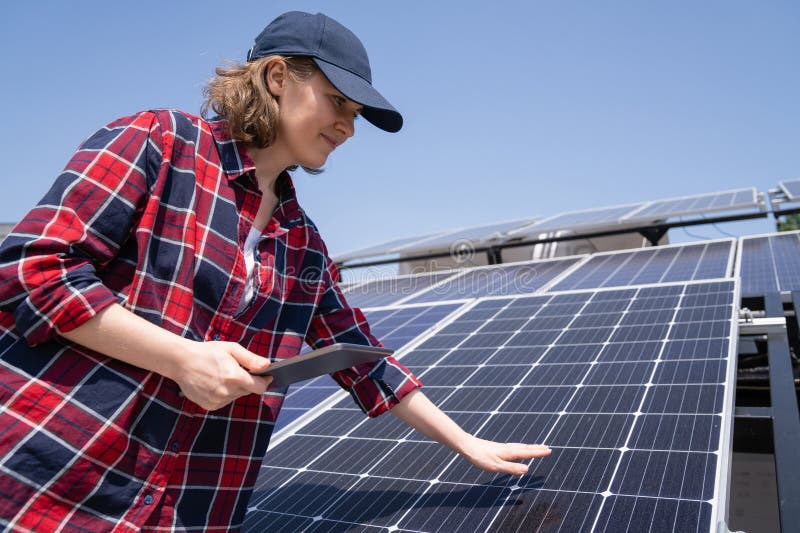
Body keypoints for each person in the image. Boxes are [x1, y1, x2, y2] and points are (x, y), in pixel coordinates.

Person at [0, 11, 550, 531]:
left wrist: (466, 444)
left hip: (191, 509)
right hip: (51, 484)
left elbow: (359, 353)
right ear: (279, 75)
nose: (348, 128)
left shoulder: (302, 241)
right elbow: (33, 269)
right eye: (337, 101)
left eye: (356, 116)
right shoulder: (160, 143)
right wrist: (182, 360)